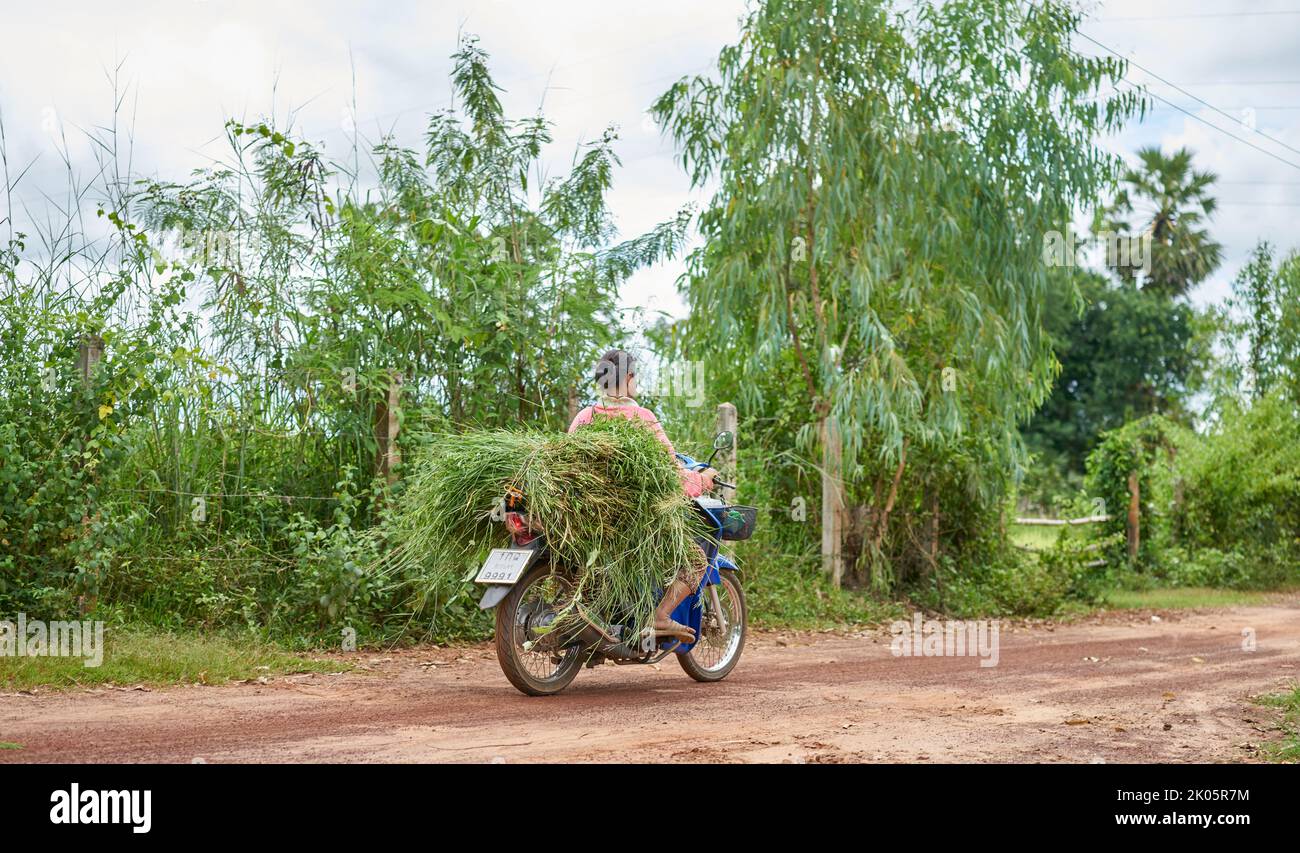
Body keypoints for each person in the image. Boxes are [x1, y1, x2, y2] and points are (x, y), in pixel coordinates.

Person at [567, 349, 716, 643]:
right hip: (636, 525)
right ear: (630, 378)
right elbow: (670, 476)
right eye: (636, 377)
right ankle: (660, 616)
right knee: (697, 560)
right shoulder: (641, 418)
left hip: (591, 522)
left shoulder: (585, 417)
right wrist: (703, 479)